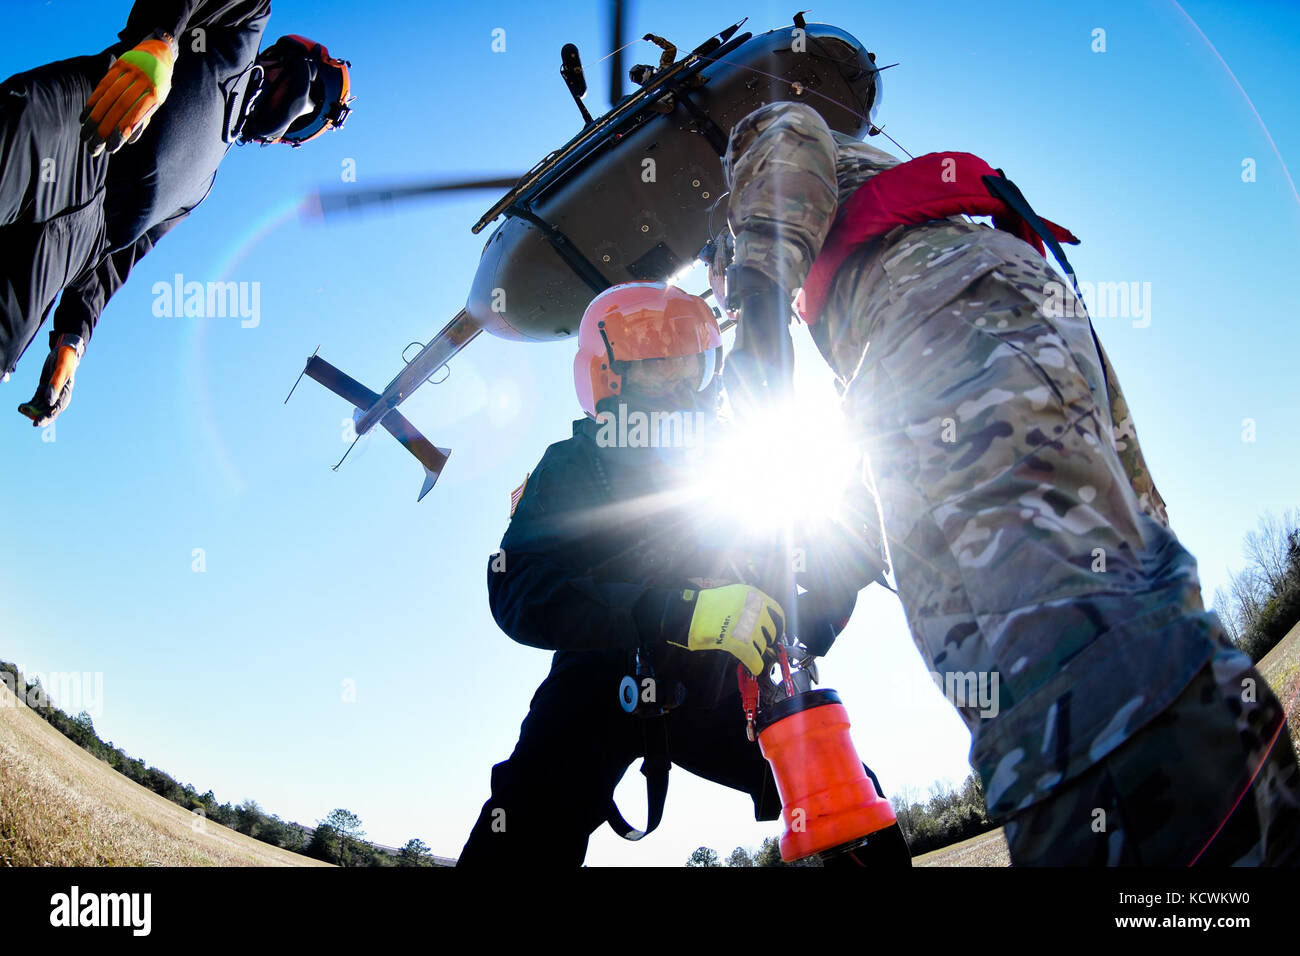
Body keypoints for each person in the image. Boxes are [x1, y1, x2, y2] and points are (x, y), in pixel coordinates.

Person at [717, 99, 1300, 864]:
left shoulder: (776, 166)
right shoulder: (876, 338)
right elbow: (875, 504)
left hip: (948, 312)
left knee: (1072, 641)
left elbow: (788, 134)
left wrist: (755, 313)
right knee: (1031, 646)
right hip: (948, 334)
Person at [458, 281, 908, 867]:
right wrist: (668, 612)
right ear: (608, 376)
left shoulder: (742, 454)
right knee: (524, 822)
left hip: (731, 687)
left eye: (686, 366)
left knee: (846, 799)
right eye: (653, 368)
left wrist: (841, 566)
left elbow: (816, 575)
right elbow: (516, 586)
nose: (673, 383)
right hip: (605, 675)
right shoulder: (575, 463)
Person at [0, 0, 352, 425]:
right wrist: (162, 41)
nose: (302, 106)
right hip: (79, 134)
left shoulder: (200, 188)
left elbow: (117, 260)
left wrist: (73, 339)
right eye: (313, 91)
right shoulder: (245, 26)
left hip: (72, 249)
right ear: (292, 56)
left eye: (311, 117)